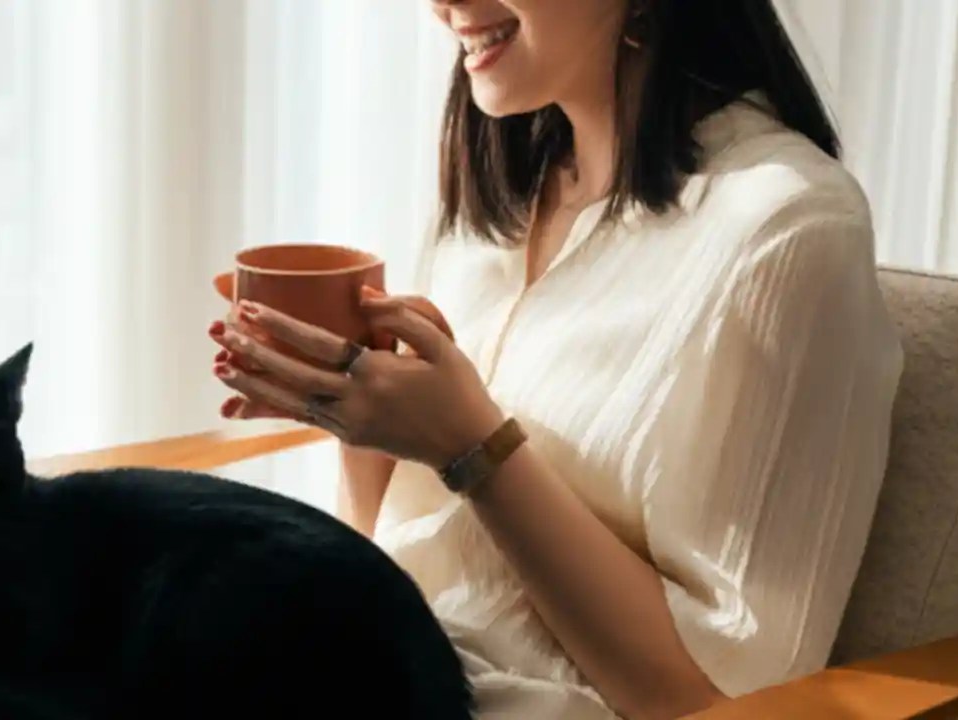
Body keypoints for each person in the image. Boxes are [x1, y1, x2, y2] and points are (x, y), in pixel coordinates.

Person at [206, 0, 905, 718]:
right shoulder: (499, 195)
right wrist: (363, 418)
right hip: (372, 663)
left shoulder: (785, 224)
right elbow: (388, 552)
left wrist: (471, 448)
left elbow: (710, 696)